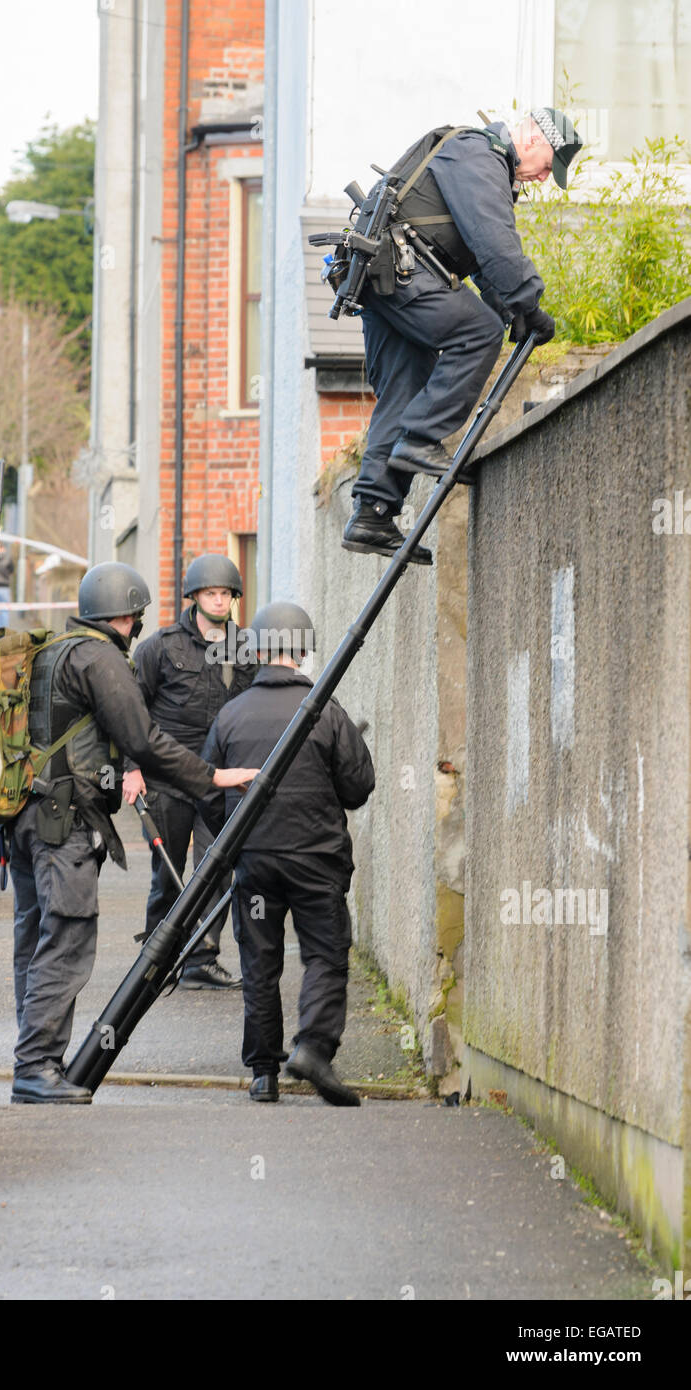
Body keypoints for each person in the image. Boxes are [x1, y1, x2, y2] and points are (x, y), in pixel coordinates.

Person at [9, 561, 258, 1104]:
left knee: (33, 936)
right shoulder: (101, 658)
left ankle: (30, 1058)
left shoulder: (53, 651)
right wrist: (210, 775)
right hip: (63, 824)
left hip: (27, 820)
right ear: (129, 614)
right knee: (66, 937)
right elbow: (142, 739)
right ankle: (36, 1068)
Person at [341, 107, 583, 559]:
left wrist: (517, 311)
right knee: (479, 333)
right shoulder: (478, 154)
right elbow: (494, 242)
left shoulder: (475, 160)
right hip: (400, 269)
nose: (545, 178)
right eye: (549, 165)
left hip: (383, 277)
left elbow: (477, 258)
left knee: (405, 385)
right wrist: (526, 301)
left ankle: (372, 512)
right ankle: (420, 439)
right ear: (532, 139)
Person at [200, 601, 375, 1106]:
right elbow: (359, 786)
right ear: (302, 649)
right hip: (317, 861)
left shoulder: (230, 715)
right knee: (324, 952)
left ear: (256, 650)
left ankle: (263, 1072)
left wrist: (237, 841)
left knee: (260, 960)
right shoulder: (324, 710)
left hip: (253, 862)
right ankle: (314, 1047)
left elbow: (209, 794)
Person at [122, 554, 258, 989]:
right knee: (168, 872)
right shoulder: (160, 647)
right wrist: (131, 769)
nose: (218, 600)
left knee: (215, 869)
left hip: (222, 780)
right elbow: (130, 711)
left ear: (233, 599)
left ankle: (201, 958)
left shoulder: (244, 648)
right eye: (210, 593)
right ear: (195, 597)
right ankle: (155, 962)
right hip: (168, 780)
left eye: (225, 593)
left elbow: (257, 706)